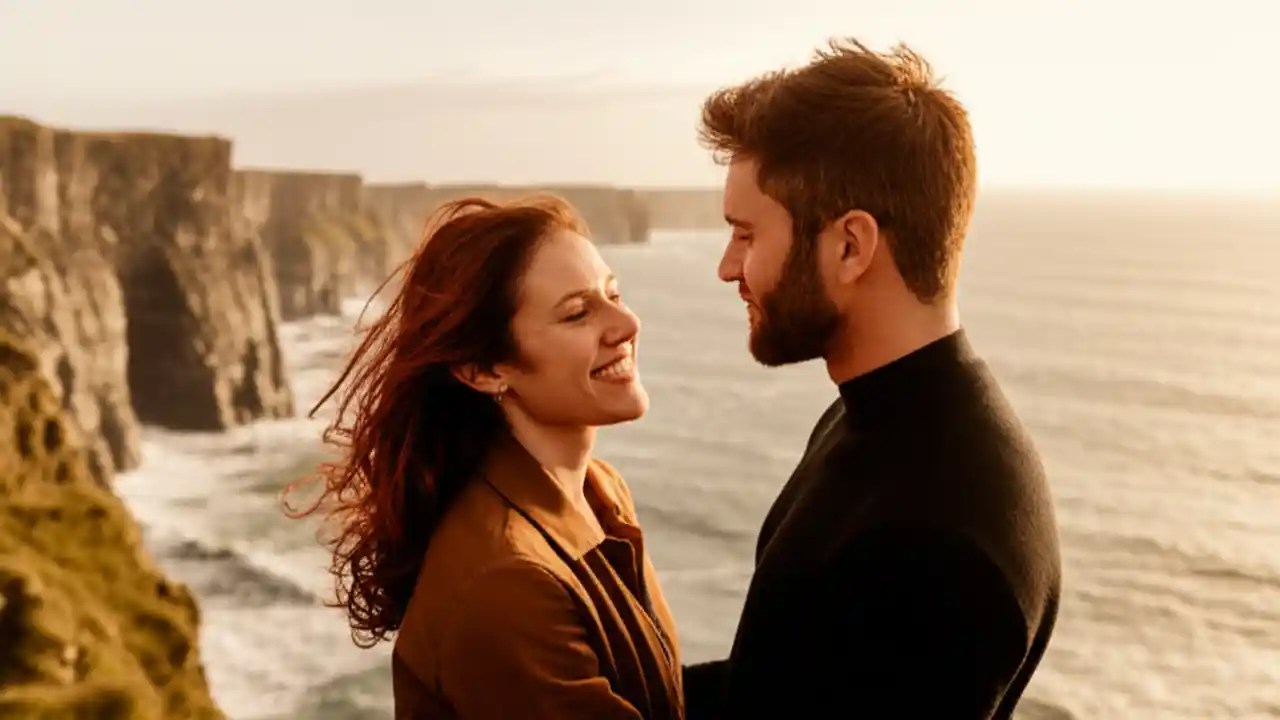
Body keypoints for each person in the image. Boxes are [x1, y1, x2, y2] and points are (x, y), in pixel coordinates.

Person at [681, 38, 1063, 719]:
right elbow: (783, 683)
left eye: (747, 235)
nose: (728, 267)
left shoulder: (939, 544)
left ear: (850, 246)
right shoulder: (869, 420)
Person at [284, 195, 684, 719]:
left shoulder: (600, 489)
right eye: (577, 313)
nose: (627, 323)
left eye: (614, 294)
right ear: (484, 370)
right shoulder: (509, 581)